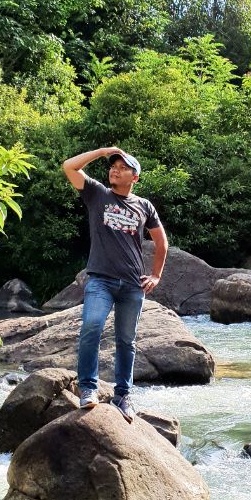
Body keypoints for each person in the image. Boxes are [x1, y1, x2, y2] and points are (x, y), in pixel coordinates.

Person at [61, 145, 168, 421]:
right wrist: (102, 151)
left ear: (135, 177)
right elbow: (69, 166)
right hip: (101, 280)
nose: (115, 170)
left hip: (132, 285)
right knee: (91, 327)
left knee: (126, 341)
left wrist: (155, 275)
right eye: (113, 166)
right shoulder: (97, 193)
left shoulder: (144, 206)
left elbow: (161, 242)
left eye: (122, 168)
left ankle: (123, 395)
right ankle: (88, 388)